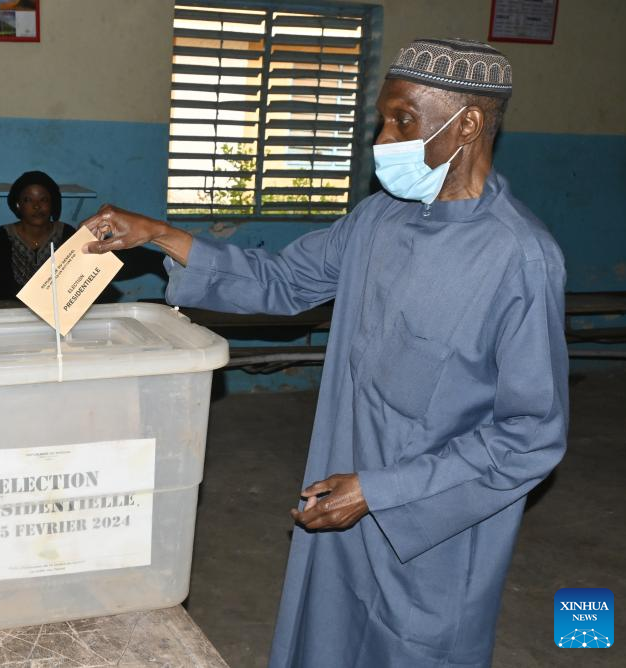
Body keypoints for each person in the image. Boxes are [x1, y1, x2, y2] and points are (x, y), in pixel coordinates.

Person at [81, 39, 567, 667]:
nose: (382, 140)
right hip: (342, 497)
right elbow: (282, 281)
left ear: (468, 125)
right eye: (381, 121)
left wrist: (382, 490)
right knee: (329, 641)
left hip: (431, 529)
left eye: (403, 121)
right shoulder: (378, 221)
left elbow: (529, 436)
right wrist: (160, 235)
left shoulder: (519, 259)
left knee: (409, 650)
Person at [0, 170, 77, 300]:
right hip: (14, 311)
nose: (37, 206)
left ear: (52, 204)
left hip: (59, 310)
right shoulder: (2, 237)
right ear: (18, 205)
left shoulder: (66, 234)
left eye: (44, 199)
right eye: (28, 200)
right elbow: (4, 289)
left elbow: (73, 282)